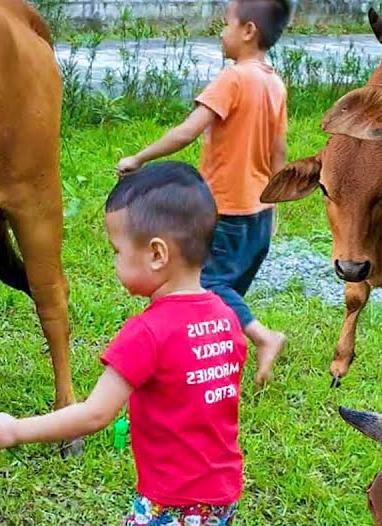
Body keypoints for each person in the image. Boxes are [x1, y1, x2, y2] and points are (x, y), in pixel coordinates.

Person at [0, 162, 247, 526]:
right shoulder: (223, 317)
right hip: (219, 491)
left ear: (156, 255)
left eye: (116, 252)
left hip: (171, 497)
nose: (114, 263)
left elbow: (94, 414)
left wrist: (17, 429)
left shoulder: (147, 331)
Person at [116, 0, 290, 386]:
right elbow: (280, 153)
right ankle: (219, 357)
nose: (220, 32)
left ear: (248, 31)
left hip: (226, 209)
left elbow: (188, 130)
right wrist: (274, 208)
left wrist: (139, 158)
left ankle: (263, 337)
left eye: (226, 23)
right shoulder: (275, 83)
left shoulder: (233, 79)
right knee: (225, 297)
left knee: (208, 284)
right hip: (258, 213)